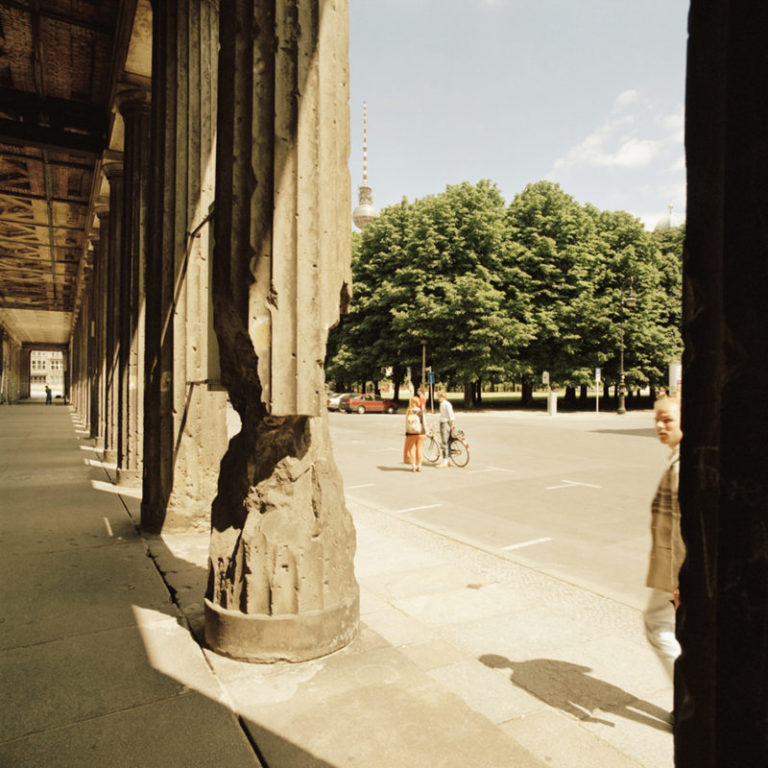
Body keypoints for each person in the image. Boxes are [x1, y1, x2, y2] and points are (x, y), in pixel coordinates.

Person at [644, 395, 686, 681]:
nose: (660, 425)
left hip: (676, 571)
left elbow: (684, 530)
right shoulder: (680, 460)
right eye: (657, 420)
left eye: (668, 420)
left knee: (656, 624)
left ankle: (685, 694)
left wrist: (677, 581)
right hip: (678, 571)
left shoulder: (681, 467)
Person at [403, 397, 426, 472]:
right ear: (417, 403)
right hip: (420, 432)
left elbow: (406, 423)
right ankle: (419, 466)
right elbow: (424, 423)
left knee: (411, 449)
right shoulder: (421, 411)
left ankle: (413, 466)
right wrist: (426, 431)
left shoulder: (409, 411)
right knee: (420, 449)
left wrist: (407, 431)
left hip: (410, 432)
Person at [436, 390, 454, 468]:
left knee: (444, 443)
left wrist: (451, 426)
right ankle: (448, 460)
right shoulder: (442, 404)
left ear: (442, 397)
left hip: (445, 424)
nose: (438, 398)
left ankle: (445, 461)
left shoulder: (446, 404)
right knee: (447, 442)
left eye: (439, 397)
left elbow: (451, 416)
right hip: (443, 422)